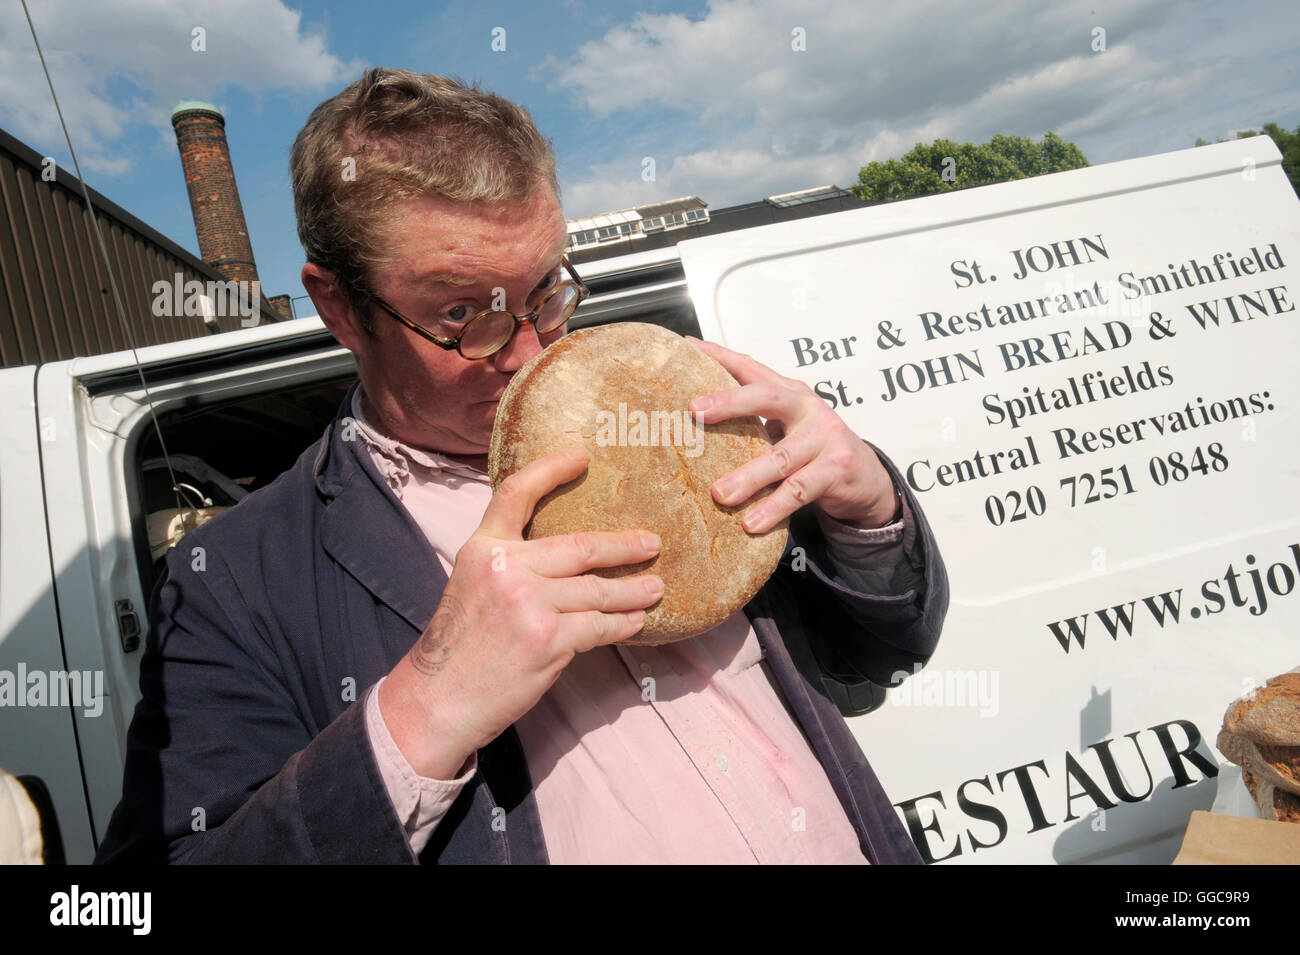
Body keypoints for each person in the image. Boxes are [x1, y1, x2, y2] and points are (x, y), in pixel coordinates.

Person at [96, 68, 948, 864]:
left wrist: (867, 514)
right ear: (340, 307)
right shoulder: (235, 582)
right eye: (463, 312)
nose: (530, 350)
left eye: (545, 290)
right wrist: (424, 710)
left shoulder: (682, 420)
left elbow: (882, 654)